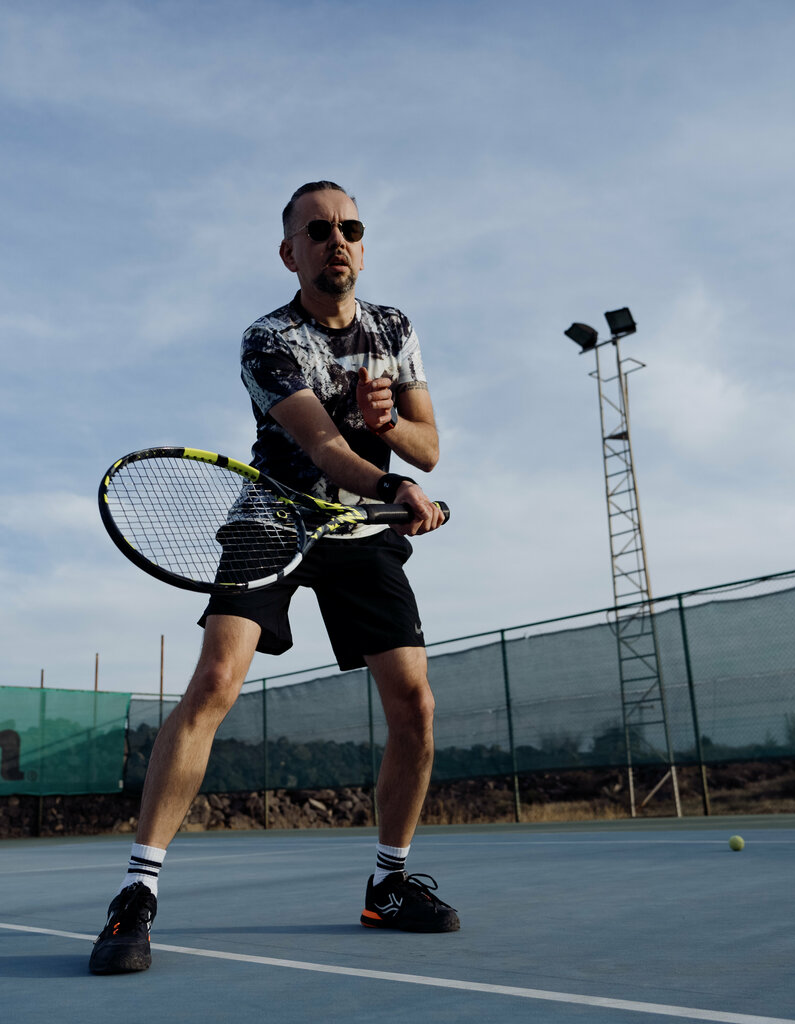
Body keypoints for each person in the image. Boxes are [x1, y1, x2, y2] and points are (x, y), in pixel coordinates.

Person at [89, 181, 458, 975]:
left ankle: (387, 886)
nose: (338, 240)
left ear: (363, 245)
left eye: (351, 228)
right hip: (276, 519)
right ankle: (137, 894)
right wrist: (391, 484)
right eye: (318, 230)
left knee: (416, 705)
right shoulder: (268, 339)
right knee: (217, 680)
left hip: (360, 533)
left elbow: (429, 449)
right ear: (290, 252)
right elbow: (325, 451)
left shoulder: (394, 329)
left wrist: (392, 427)